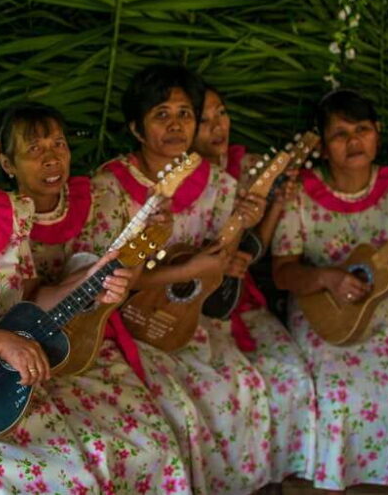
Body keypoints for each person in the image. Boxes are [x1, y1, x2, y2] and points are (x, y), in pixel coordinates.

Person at [0, 87, 191, 494]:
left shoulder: (11, 212)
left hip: (17, 379)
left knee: (134, 449)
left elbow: (30, 299)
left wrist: (97, 279)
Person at [91, 65, 275, 495]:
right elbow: (103, 278)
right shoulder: (109, 186)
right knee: (181, 409)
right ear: (136, 128)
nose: (176, 125)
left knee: (244, 388)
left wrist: (232, 256)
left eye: (185, 114)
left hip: (189, 323)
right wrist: (189, 271)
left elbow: (218, 267)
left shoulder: (219, 185)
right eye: (161, 114)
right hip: (126, 326)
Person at [0, 102, 193, 494]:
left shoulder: (101, 199)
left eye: (59, 144)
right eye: (34, 150)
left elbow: (128, 268)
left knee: (155, 442)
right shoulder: (6, 220)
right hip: (34, 357)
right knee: (87, 459)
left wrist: (133, 266)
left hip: (97, 343)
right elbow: (24, 300)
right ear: (7, 164)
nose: (52, 158)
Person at [272, 89, 388, 492]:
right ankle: (340, 479)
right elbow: (283, 273)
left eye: (362, 129)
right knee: (338, 392)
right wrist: (326, 277)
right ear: (322, 147)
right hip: (324, 314)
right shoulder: (300, 196)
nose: (354, 140)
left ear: (377, 134)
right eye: (340, 134)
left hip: (385, 315)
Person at [192, 84, 317, 486]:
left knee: (292, 377)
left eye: (222, 114)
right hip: (189, 304)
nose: (218, 127)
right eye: (205, 120)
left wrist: (278, 203)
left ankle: (273, 478)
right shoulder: (179, 180)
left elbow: (255, 244)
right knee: (231, 393)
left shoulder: (247, 168)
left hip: (238, 299)